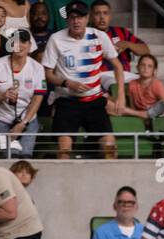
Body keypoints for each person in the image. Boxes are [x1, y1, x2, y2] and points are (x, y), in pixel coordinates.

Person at [41, 0, 125, 159]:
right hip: (66, 101)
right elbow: (48, 74)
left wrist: (120, 95)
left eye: (80, 17)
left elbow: (118, 66)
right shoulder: (56, 39)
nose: (76, 21)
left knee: (109, 146)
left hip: (94, 100)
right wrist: (67, 83)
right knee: (64, 148)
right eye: (72, 17)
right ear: (67, 20)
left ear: (87, 18)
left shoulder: (99, 36)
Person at [0, 26, 46, 155]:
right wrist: (1, 96)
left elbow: (38, 98)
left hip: (27, 118)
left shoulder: (37, 68)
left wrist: (23, 124)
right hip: (0, 117)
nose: (19, 45)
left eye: (23, 41)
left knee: (26, 155)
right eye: (15, 41)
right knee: (10, 154)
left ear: (29, 45)